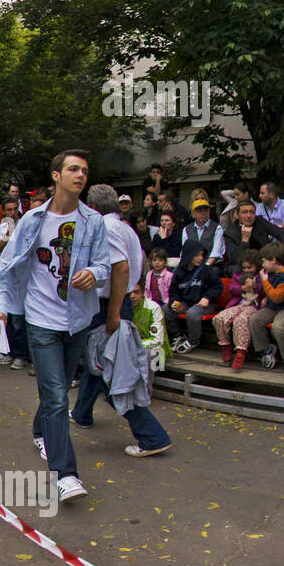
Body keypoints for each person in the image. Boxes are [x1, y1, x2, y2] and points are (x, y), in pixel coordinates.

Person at [0, 149, 118, 506]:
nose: (80, 175)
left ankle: (39, 429)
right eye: (73, 169)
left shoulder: (93, 221)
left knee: (56, 389)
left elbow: (104, 264)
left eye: (85, 170)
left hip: (77, 320)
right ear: (56, 176)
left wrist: (94, 273)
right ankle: (65, 475)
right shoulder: (33, 220)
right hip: (41, 318)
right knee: (58, 396)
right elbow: (8, 262)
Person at [70, 185, 175, 457]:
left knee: (114, 373)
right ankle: (82, 413)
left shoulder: (106, 228)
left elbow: (121, 268)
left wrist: (115, 312)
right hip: (115, 302)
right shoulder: (125, 229)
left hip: (110, 304)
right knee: (98, 363)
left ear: (93, 207)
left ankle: (151, 436)